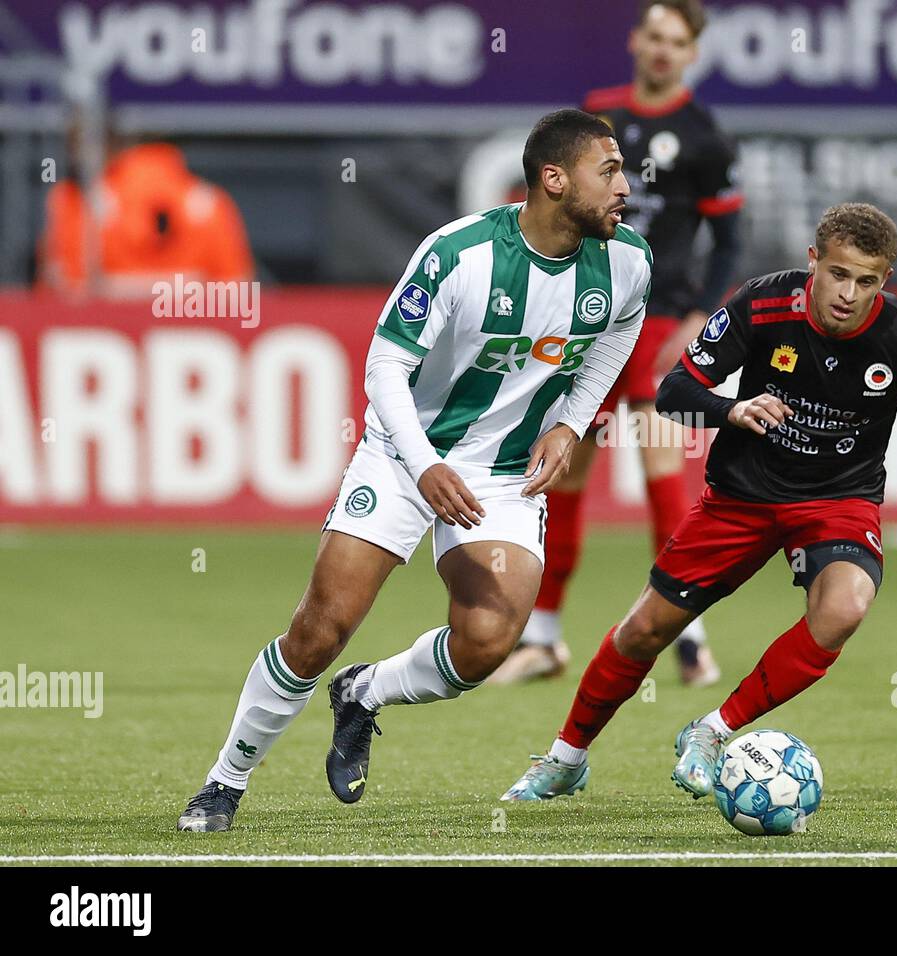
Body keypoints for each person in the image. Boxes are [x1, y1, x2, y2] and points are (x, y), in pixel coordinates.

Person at [177, 110, 650, 831]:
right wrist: (424, 464)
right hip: (406, 455)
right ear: (554, 179)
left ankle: (364, 694)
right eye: (609, 170)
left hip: (502, 472)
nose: (625, 186)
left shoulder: (628, 264)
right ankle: (224, 782)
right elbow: (385, 364)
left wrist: (569, 420)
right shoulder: (459, 254)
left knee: (490, 638)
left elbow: (617, 334)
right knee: (320, 629)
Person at [501, 202, 897, 802]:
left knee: (844, 608)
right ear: (814, 262)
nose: (848, 293)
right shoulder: (761, 303)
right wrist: (731, 409)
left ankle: (712, 730)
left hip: (837, 501)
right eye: (838, 274)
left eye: (866, 281)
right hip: (741, 497)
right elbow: (675, 391)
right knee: (643, 633)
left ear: (884, 281)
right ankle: (566, 757)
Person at [491, 0, 743, 688]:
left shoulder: (705, 137)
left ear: (691, 53)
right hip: (591, 314)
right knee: (568, 471)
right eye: (654, 36)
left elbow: (729, 242)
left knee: (662, 471)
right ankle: (542, 637)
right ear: (635, 41)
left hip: (660, 320)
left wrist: (698, 315)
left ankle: (686, 634)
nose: (662, 50)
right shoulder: (598, 120)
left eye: (676, 41)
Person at [40, 131, 253, 296]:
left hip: (105, 333)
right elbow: (236, 292)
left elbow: (62, 293)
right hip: (190, 336)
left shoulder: (78, 201)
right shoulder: (211, 201)